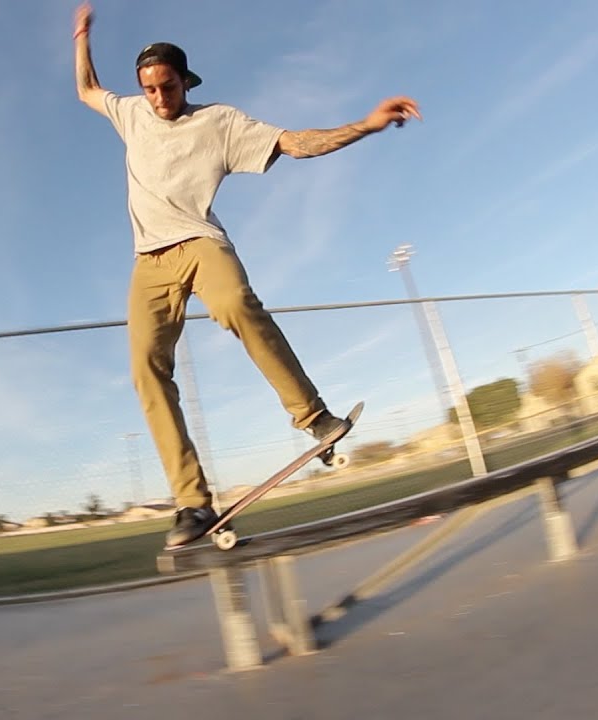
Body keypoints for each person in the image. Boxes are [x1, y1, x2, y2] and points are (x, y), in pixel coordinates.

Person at [72, 2, 422, 547]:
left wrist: (368, 125)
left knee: (234, 302)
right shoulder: (130, 113)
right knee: (144, 366)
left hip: (201, 243)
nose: (159, 99)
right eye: (150, 89)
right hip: (149, 261)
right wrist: (80, 39)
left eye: (168, 87)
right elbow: (88, 89)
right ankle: (191, 503)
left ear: (185, 81)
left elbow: (295, 143)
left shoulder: (220, 122)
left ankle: (315, 419)